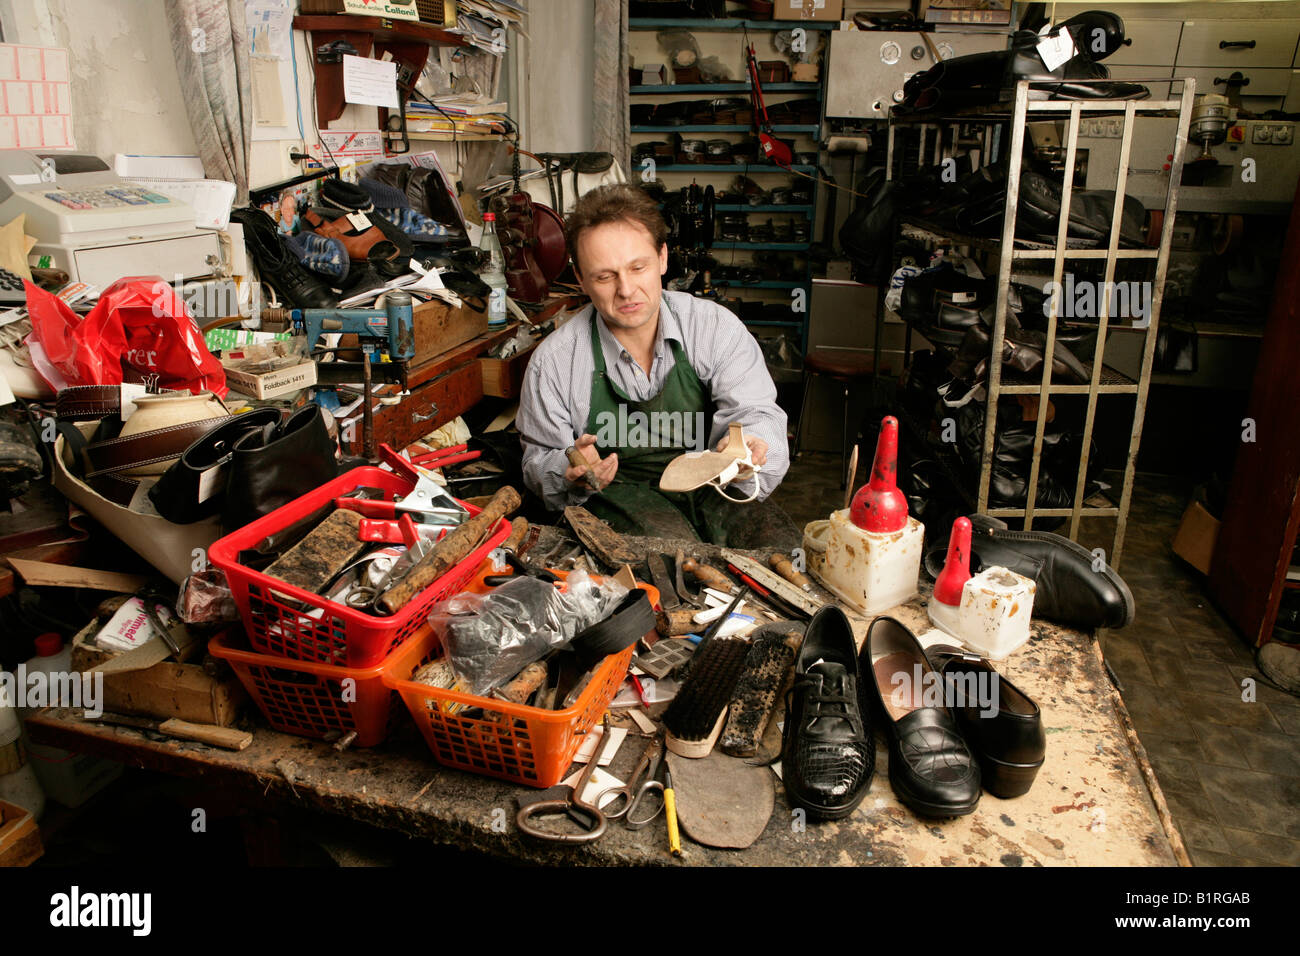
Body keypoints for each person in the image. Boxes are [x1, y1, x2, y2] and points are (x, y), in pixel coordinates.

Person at [516, 183, 799, 550]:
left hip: (711, 484)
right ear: (582, 280)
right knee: (673, 560)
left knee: (782, 554)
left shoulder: (713, 328)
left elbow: (758, 412)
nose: (627, 290)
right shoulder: (555, 361)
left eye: (638, 267)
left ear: (663, 258)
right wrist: (568, 472)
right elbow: (537, 460)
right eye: (605, 276)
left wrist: (749, 447)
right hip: (615, 496)